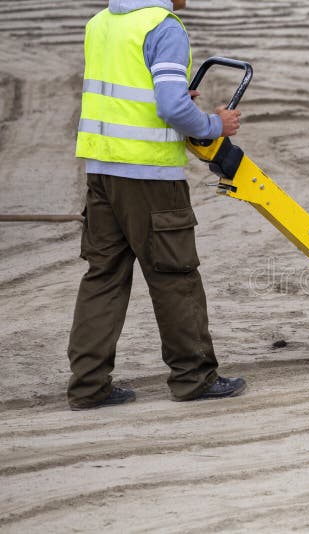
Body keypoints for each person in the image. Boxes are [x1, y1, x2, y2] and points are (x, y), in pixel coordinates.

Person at [68, 0, 246, 410]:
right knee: (174, 275)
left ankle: (87, 386)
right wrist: (215, 124)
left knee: (103, 276)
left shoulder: (103, 22)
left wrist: (177, 97)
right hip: (149, 178)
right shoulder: (164, 27)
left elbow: (127, 93)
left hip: (101, 170)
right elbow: (170, 107)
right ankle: (194, 378)